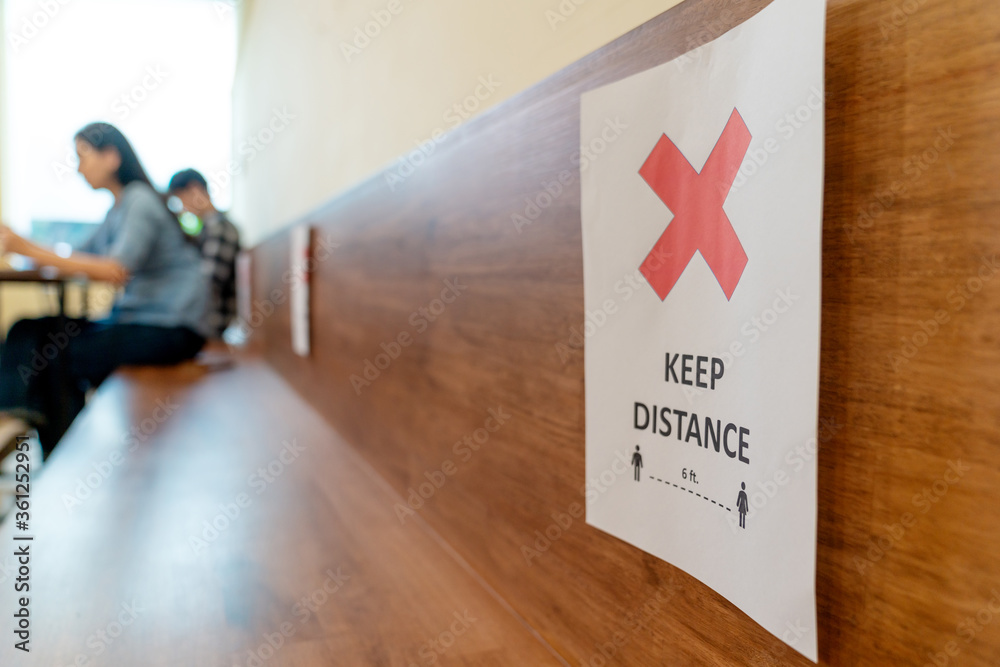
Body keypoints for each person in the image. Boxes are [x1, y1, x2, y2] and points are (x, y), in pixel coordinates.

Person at [0, 122, 210, 457]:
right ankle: (12, 415)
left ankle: (62, 459)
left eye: (82, 156)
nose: (78, 168)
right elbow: (77, 257)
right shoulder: (118, 209)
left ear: (111, 157)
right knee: (28, 329)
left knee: (56, 356)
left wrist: (24, 247)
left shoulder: (140, 201)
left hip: (169, 328)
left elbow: (115, 270)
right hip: (138, 321)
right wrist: (24, 247)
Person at [167, 169, 240, 340]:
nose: (183, 209)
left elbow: (209, 282)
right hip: (206, 322)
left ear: (195, 189)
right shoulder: (208, 229)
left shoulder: (219, 228)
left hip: (214, 324)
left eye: (181, 200)